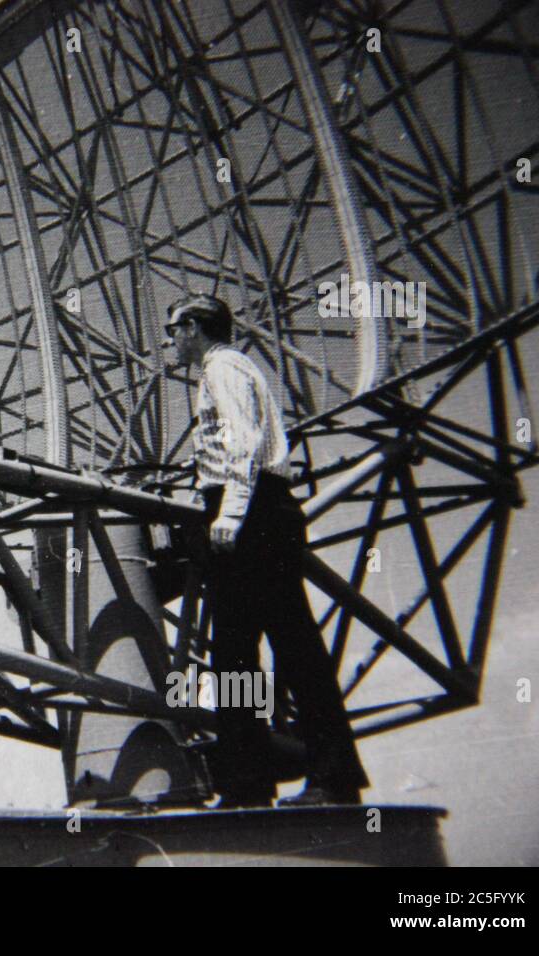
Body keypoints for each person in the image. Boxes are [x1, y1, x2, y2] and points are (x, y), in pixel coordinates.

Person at [163, 294, 369, 808]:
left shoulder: (225, 369)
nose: (169, 342)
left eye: (173, 330)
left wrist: (228, 514)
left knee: (289, 646)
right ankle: (248, 781)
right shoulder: (226, 370)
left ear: (193, 327)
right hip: (250, 509)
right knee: (237, 655)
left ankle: (329, 777)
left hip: (252, 515)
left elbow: (245, 444)